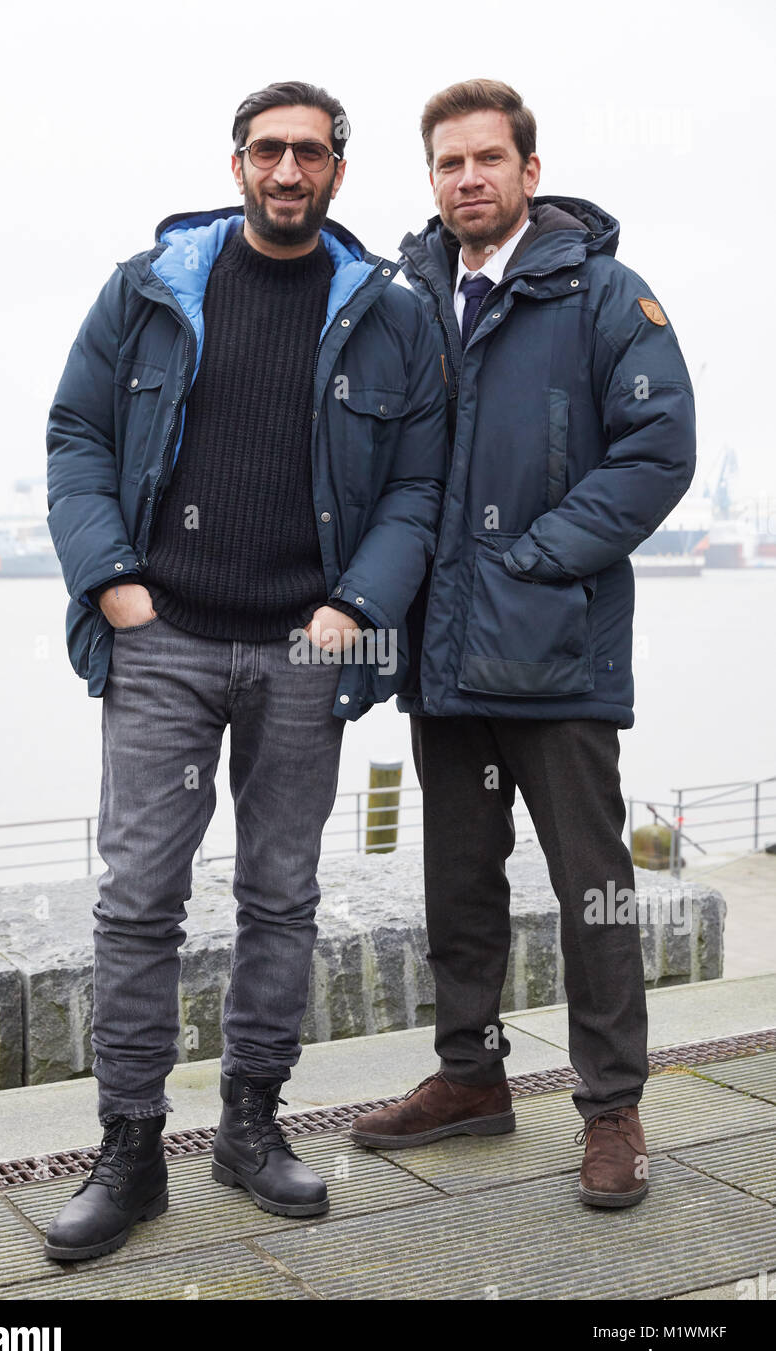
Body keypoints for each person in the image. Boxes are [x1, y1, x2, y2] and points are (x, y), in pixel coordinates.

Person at [43, 80, 447, 1260]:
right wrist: (112, 583)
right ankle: (129, 1149)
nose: (287, 171)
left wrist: (350, 610)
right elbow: (76, 434)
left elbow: (415, 486)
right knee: (137, 902)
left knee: (281, 897)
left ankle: (250, 1126)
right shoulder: (146, 289)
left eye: (309, 153)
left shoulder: (389, 315)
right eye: (267, 150)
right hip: (160, 638)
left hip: (302, 650)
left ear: (336, 172)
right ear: (235, 165)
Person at [350, 79, 696, 1209]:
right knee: (457, 883)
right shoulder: (410, 303)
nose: (468, 179)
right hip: (443, 658)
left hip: (557, 651)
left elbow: (657, 450)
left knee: (594, 890)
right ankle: (470, 1076)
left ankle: (612, 1108)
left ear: (529, 172)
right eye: (448, 164)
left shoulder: (604, 296)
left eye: (487, 159)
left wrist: (536, 557)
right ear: (432, 178)